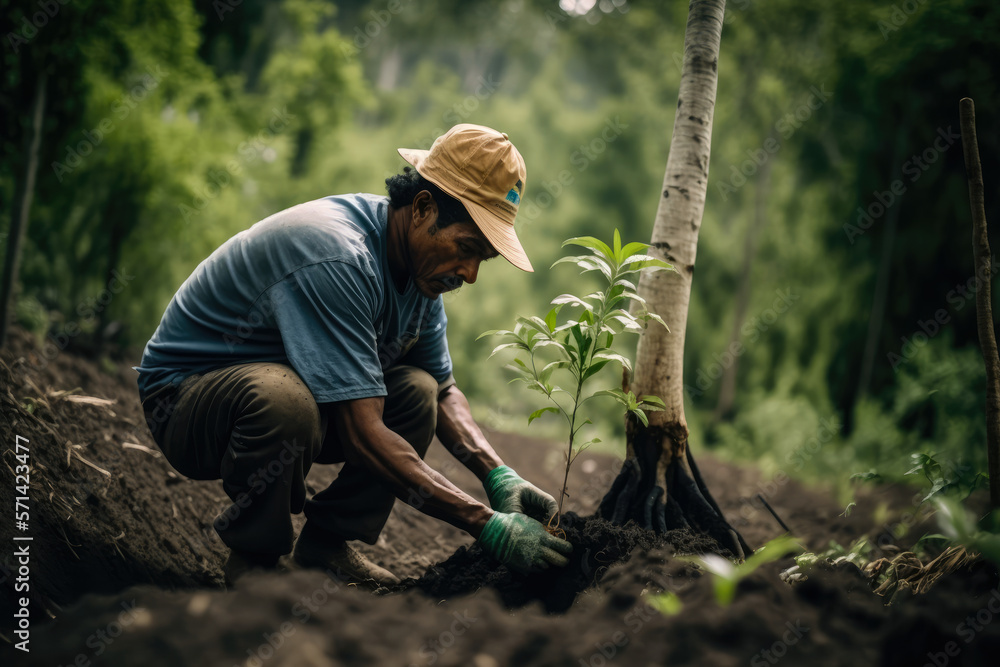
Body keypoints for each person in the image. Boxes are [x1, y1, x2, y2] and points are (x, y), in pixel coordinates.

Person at [135, 124, 572, 586]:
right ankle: (256, 563)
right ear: (423, 208)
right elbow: (364, 433)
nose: (469, 273)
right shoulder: (338, 255)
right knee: (286, 401)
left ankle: (325, 550)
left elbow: (443, 391)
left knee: (417, 391)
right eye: (466, 248)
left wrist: (499, 476)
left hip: (291, 399)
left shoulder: (423, 275)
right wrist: (484, 523)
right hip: (186, 398)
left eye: (482, 259)